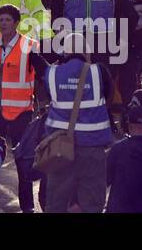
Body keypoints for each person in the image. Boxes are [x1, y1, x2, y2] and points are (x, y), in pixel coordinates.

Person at [0, 5, 45, 212]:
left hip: (20, 114)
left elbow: (44, 72)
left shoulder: (29, 45)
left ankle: (28, 207)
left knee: (23, 162)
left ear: (16, 23)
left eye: (7, 20)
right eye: (1, 19)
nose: (3, 23)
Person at [43, 42, 113, 213]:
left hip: (60, 148)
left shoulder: (52, 73)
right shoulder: (99, 71)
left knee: (56, 203)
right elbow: (109, 97)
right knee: (91, 202)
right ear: (87, 53)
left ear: (65, 53)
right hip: (92, 146)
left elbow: (48, 96)